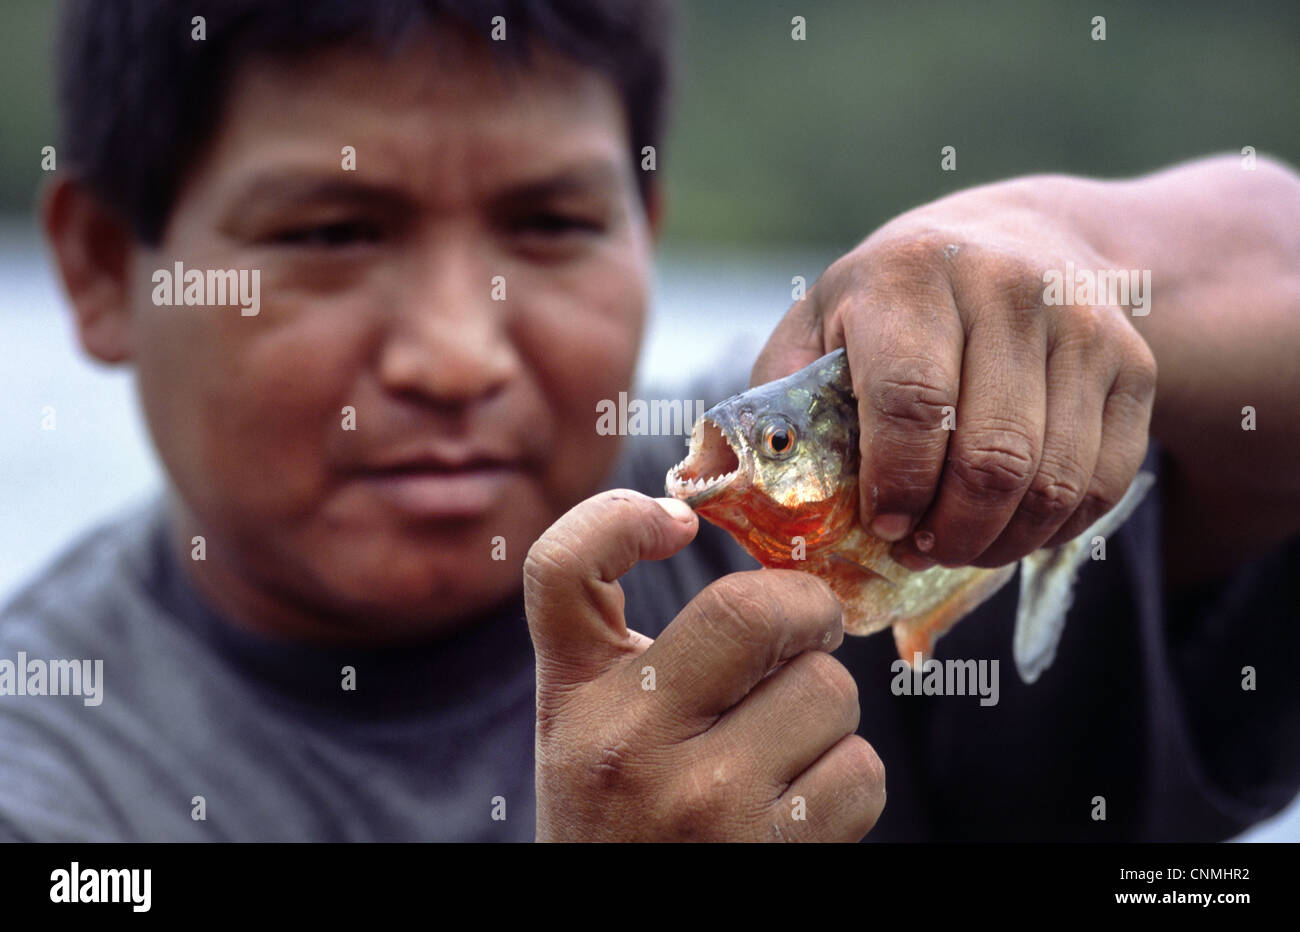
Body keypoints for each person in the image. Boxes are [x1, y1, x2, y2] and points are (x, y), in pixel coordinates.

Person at [2, 0, 1296, 842]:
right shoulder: (50, 778)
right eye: (334, 234)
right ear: (109, 270)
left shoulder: (833, 479)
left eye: (553, 226)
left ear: (647, 232)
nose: (457, 355)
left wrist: (1064, 245)